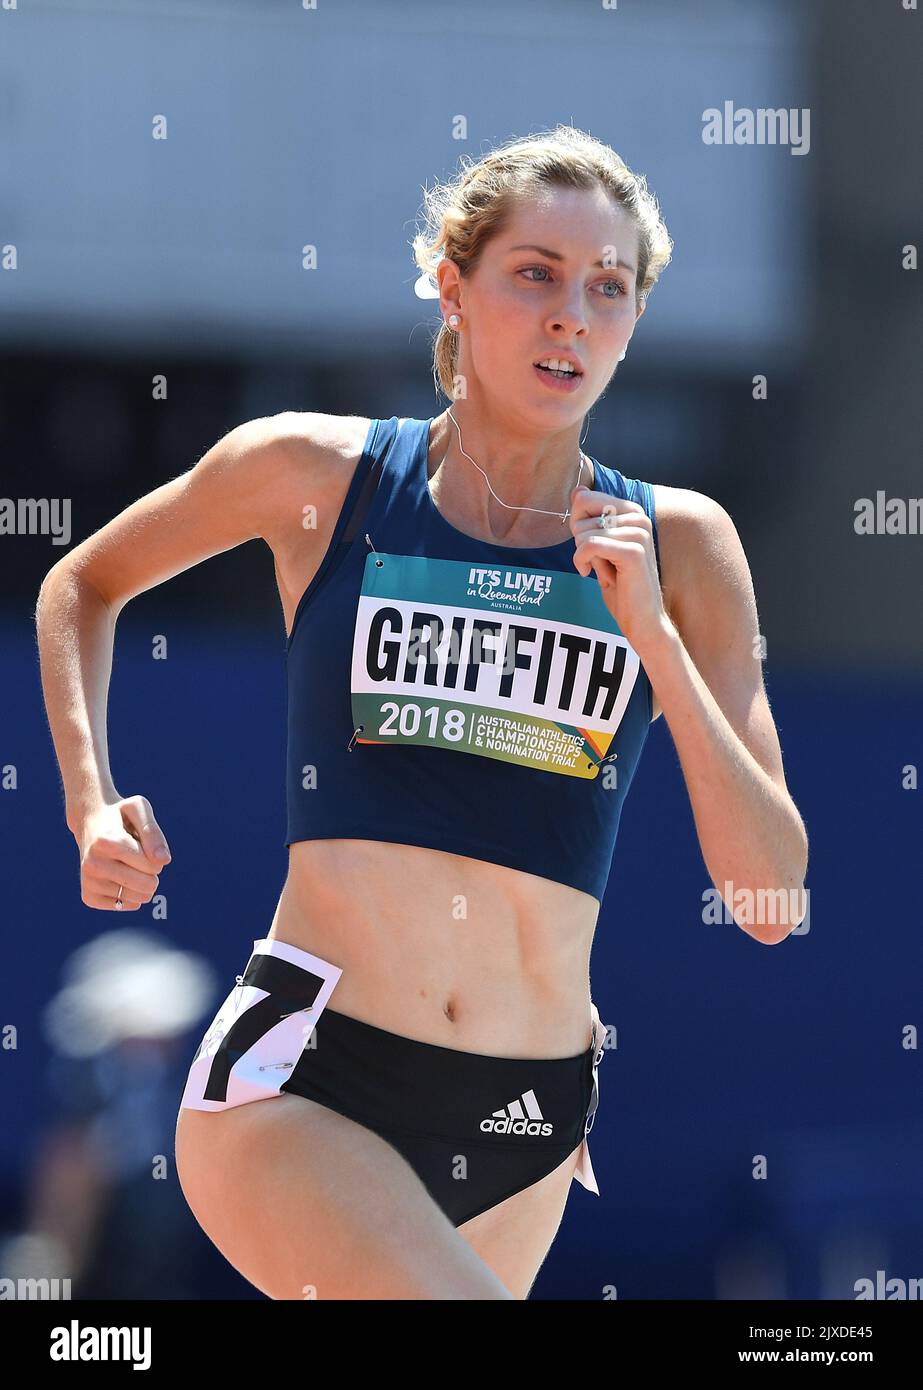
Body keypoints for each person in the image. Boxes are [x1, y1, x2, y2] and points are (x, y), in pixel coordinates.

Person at [36, 124, 808, 1301]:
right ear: (452, 286)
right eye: (535, 274)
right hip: (306, 1076)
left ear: (632, 322)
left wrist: (651, 635)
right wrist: (90, 806)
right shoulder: (316, 473)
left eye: (606, 288)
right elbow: (81, 584)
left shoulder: (683, 543)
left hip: (526, 1113)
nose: (569, 316)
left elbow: (765, 900)